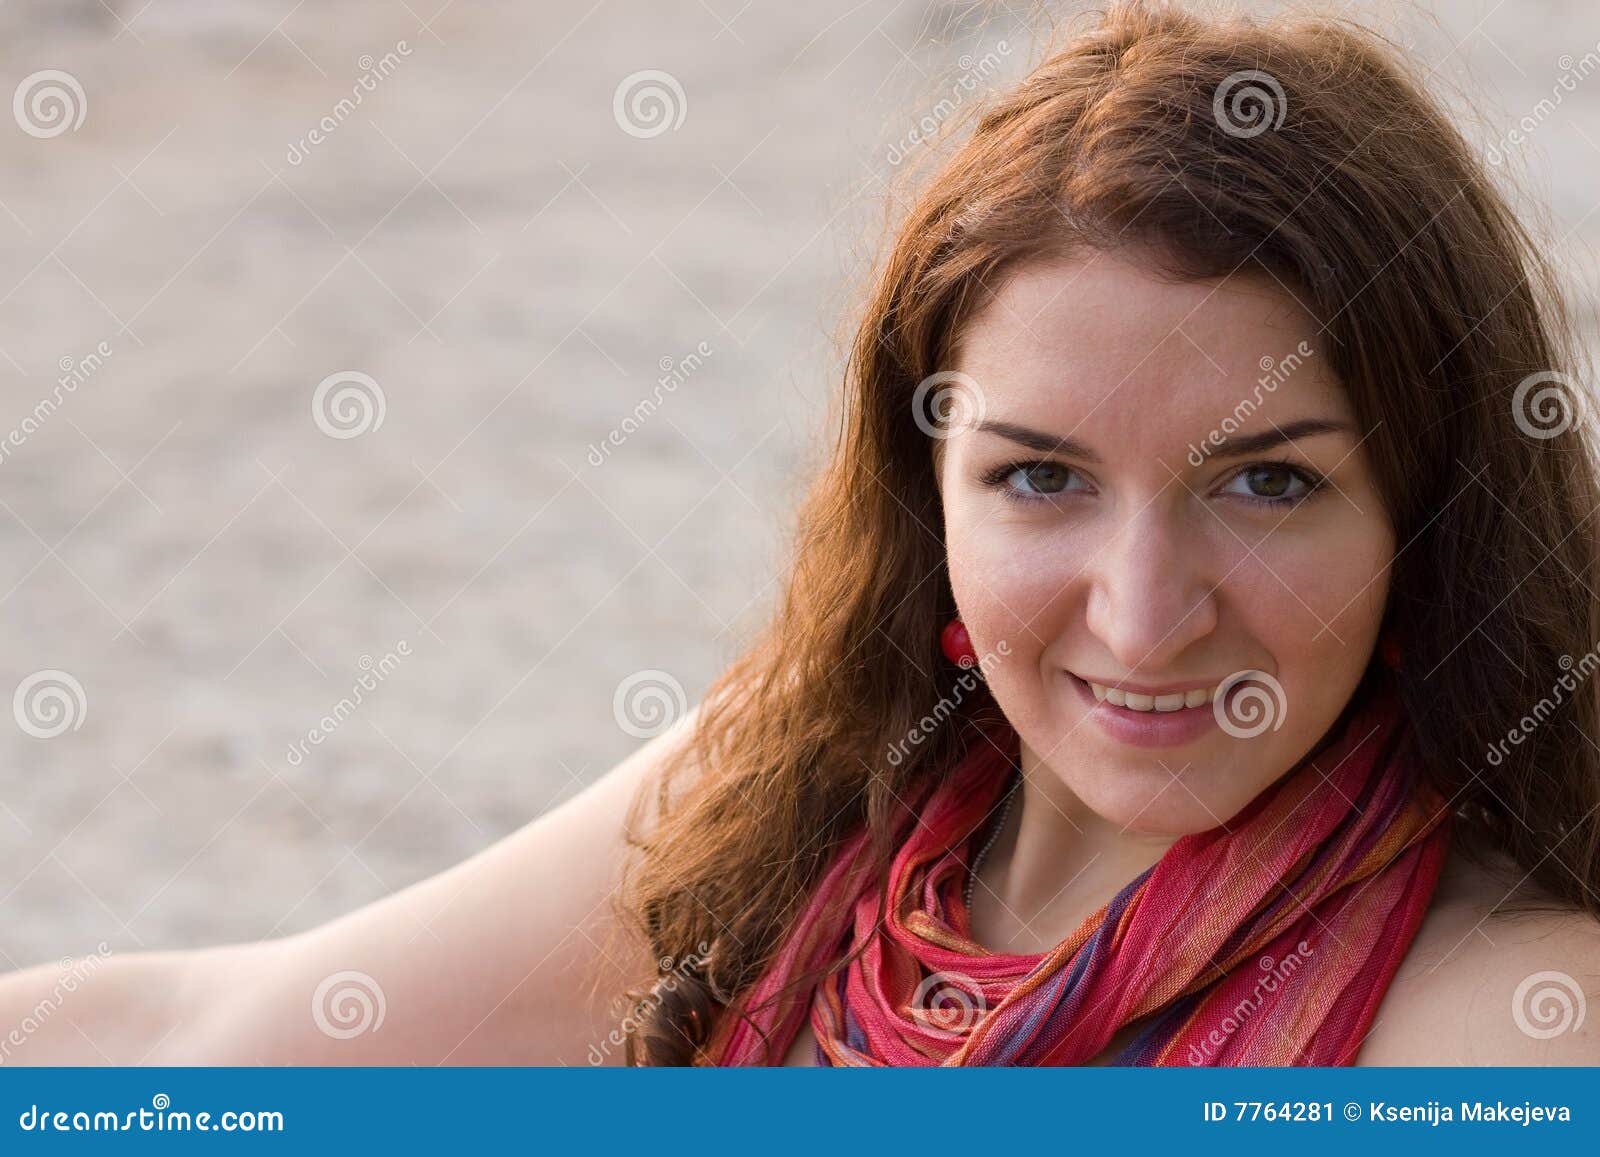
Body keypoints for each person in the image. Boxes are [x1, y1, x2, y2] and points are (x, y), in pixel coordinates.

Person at [3, 0, 1598, 1067]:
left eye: (1265, 481)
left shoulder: (1506, 1020)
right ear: (931, 497)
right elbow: (215, 1040)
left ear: (1430, 505)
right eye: (1042, 478)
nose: (1143, 610)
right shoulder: (809, 793)